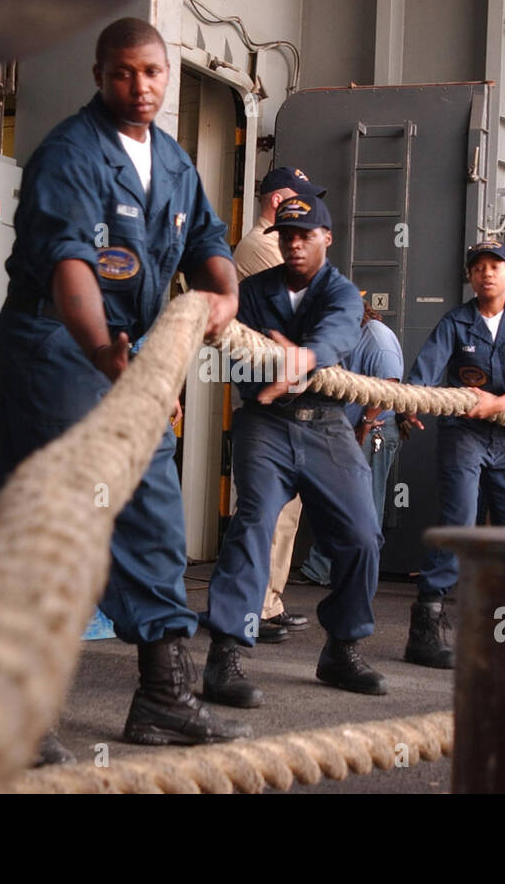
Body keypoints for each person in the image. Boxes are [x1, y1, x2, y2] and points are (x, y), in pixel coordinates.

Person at [0, 17, 250, 748]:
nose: (141, 88)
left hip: (130, 356)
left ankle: (164, 695)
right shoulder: (68, 154)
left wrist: (221, 293)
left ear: (169, 76)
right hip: (57, 349)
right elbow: (69, 263)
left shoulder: (170, 159)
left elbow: (205, 241)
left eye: (153, 73)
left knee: (154, 514)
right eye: (123, 73)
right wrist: (104, 352)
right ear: (99, 76)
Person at [201, 194, 387, 706]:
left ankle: (343, 649)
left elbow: (338, 335)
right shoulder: (253, 291)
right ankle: (227, 654)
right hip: (265, 421)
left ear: (327, 237)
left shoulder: (342, 293)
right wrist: (273, 369)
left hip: (326, 425)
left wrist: (298, 359)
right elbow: (234, 355)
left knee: (362, 535)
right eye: (286, 236)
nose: (295, 244)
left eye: (305, 234)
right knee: (254, 522)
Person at [402, 239, 505, 669]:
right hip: (463, 432)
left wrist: (496, 405)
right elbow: (425, 371)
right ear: (470, 276)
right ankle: (425, 630)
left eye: (495, 266)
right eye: (478, 267)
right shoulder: (455, 322)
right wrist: (413, 400)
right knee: (459, 523)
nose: (487, 273)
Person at [231, 166, 328, 642]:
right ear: (276, 202)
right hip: (269, 394)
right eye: (299, 201)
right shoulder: (260, 248)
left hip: (291, 391)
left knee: (282, 508)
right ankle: (255, 608)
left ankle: (268, 601)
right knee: (266, 509)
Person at [296, 291, 405, 585]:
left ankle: (356, 572)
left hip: (373, 430)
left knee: (365, 505)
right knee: (338, 501)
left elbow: (389, 385)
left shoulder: (377, 339)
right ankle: (323, 569)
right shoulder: (345, 337)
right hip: (346, 430)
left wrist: (365, 425)